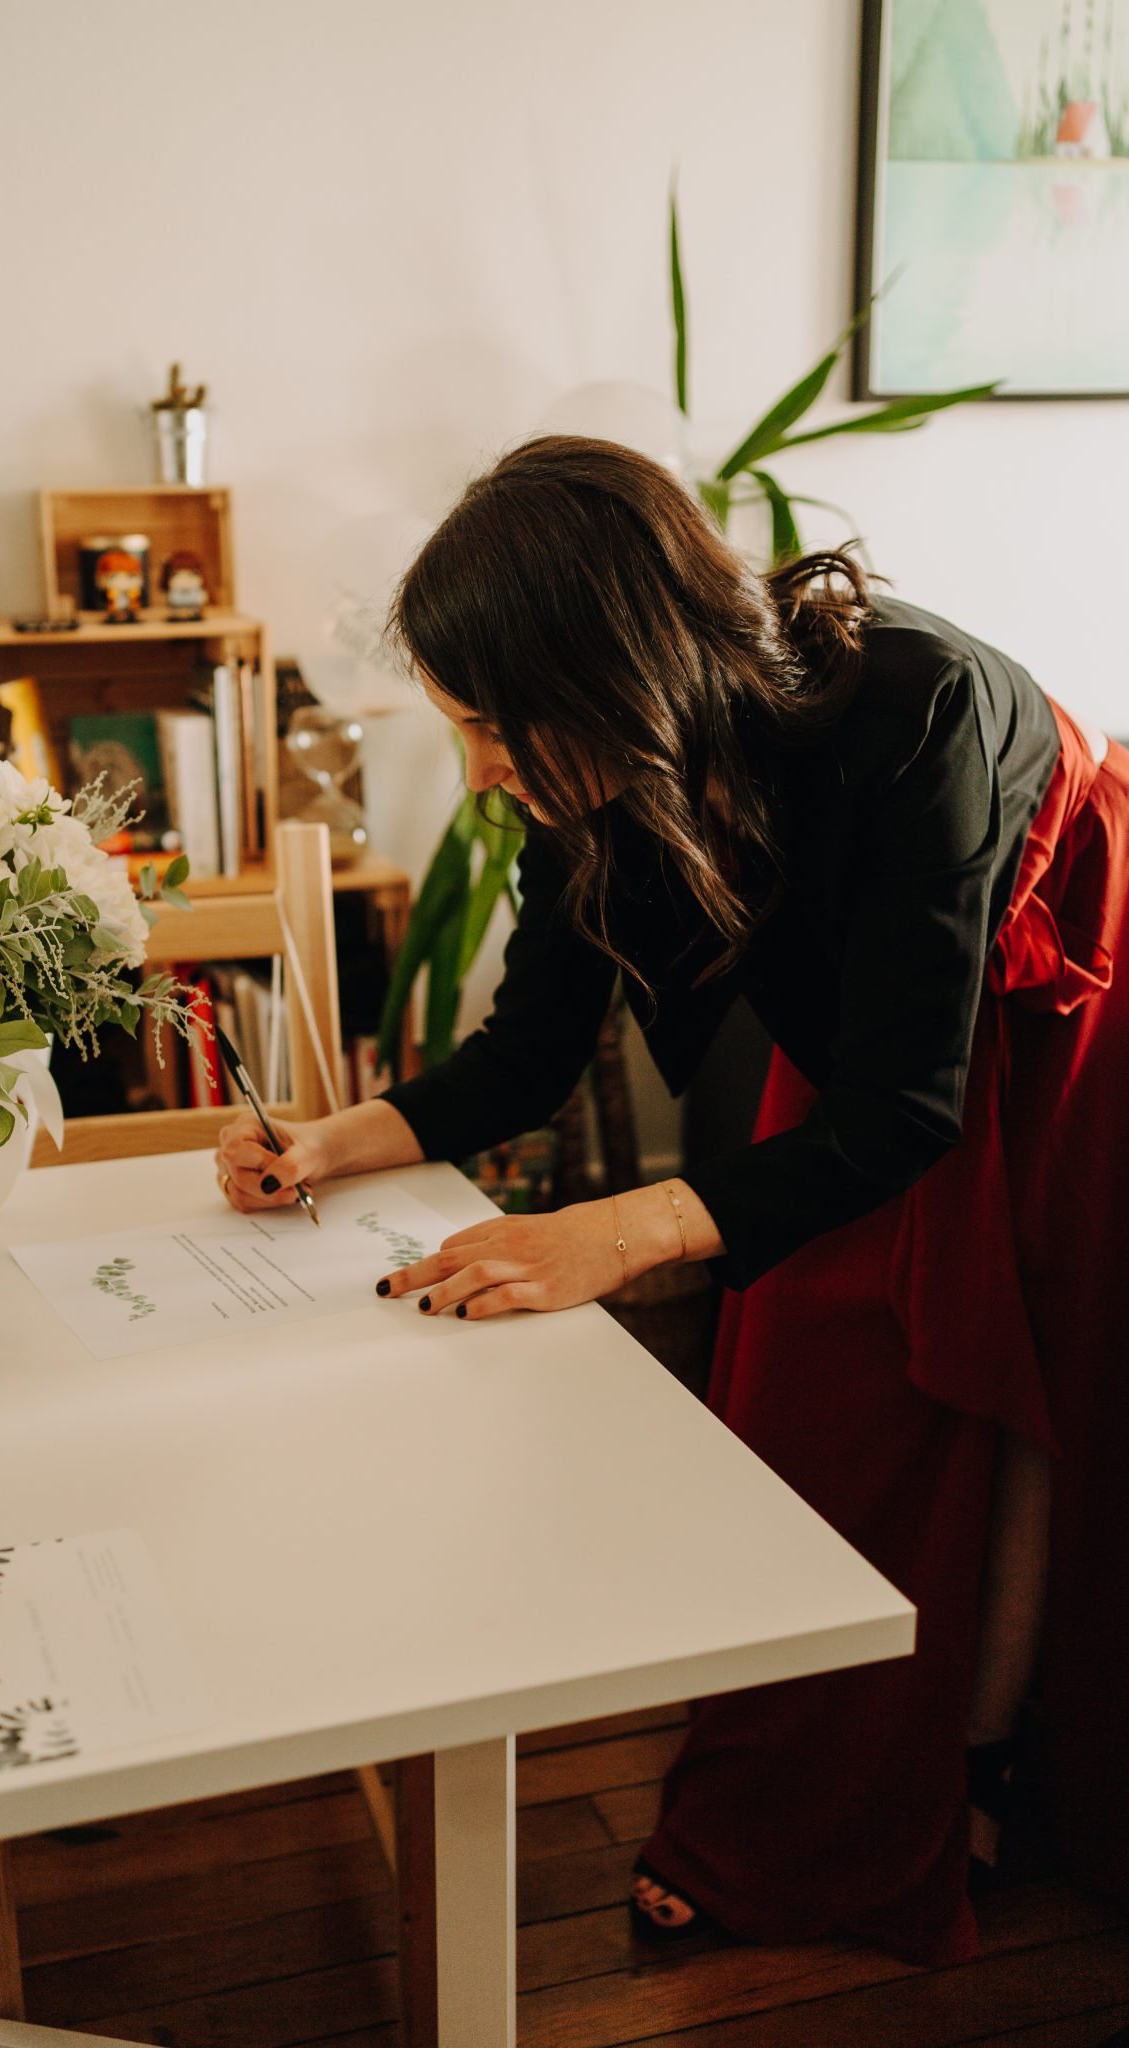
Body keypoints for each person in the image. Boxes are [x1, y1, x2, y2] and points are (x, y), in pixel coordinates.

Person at [216, 435, 1129, 1967]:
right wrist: (333, 1141)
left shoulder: (916, 710)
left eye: (493, 728)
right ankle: (843, 1795)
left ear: (607, 674)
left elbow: (903, 1105)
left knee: (1036, 1402)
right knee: (804, 1399)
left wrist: (617, 1232)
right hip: (873, 1051)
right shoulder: (596, 777)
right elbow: (527, 1051)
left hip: (1063, 1008)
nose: (481, 771)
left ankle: (1006, 1756)